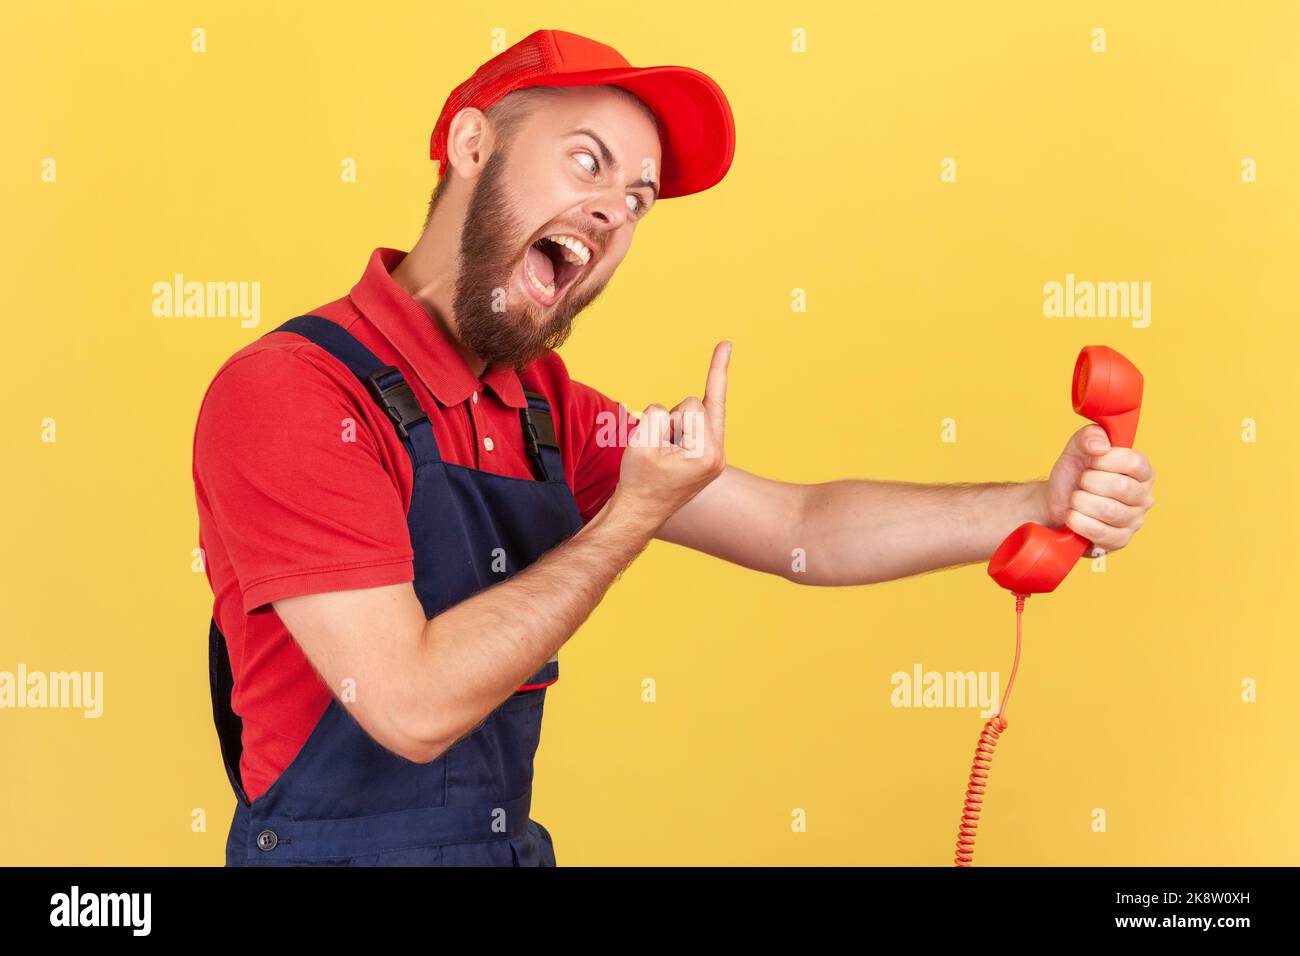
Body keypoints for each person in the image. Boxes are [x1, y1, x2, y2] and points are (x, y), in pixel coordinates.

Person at [192, 29, 1155, 866]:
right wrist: (632, 516)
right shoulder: (295, 393)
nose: (617, 209)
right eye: (586, 162)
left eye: (640, 196)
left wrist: (1035, 501)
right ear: (472, 145)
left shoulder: (545, 411)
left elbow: (797, 525)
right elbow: (408, 704)